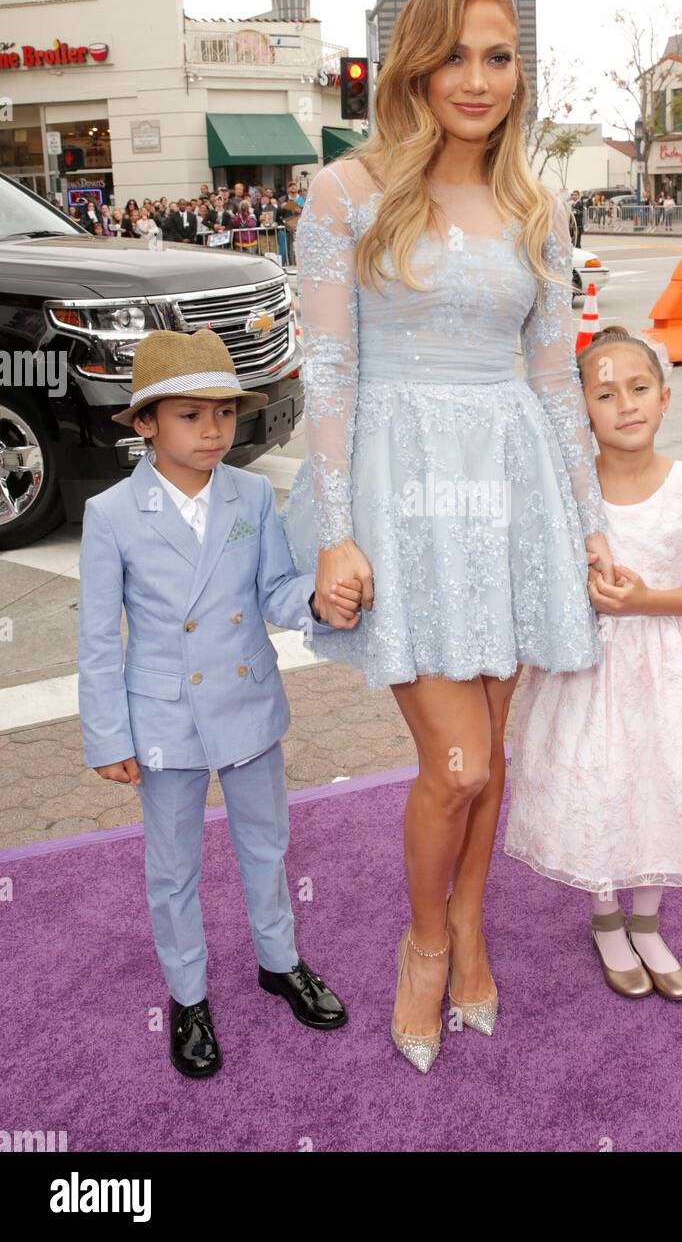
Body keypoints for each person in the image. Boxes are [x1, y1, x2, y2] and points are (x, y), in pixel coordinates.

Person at [281, 0, 614, 1075]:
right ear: (415, 67)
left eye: (498, 55)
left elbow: (553, 378)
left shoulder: (538, 205)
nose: (477, 78)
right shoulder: (347, 191)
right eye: (455, 55)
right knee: (459, 762)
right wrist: (338, 529)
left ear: (520, 72)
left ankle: (471, 928)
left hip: (512, 491)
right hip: (401, 497)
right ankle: (424, 940)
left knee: (492, 748)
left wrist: (589, 523)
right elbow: (329, 370)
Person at [77, 328, 361, 1079]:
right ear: (145, 423)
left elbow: (273, 589)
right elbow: (99, 637)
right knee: (173, 867)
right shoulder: (111, 513)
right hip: (162, 718)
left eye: (225, 413)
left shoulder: (252, 494)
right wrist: (108, 735)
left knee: (266, 844)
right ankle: (188, 996)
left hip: (247, 703)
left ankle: (279, 961)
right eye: (190, 415)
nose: (213, 431)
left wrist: (317, 601)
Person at [505, 326, 682, 998]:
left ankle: (646, 923)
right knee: (603, 783)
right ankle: (606, 919)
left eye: (639, 388)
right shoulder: (570, 494)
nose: (625, 404)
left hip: (675, 669)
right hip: (591, 672)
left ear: (664, 397)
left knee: (664, 783)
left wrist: (646, 600)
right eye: (605, 393)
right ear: (582, 411)